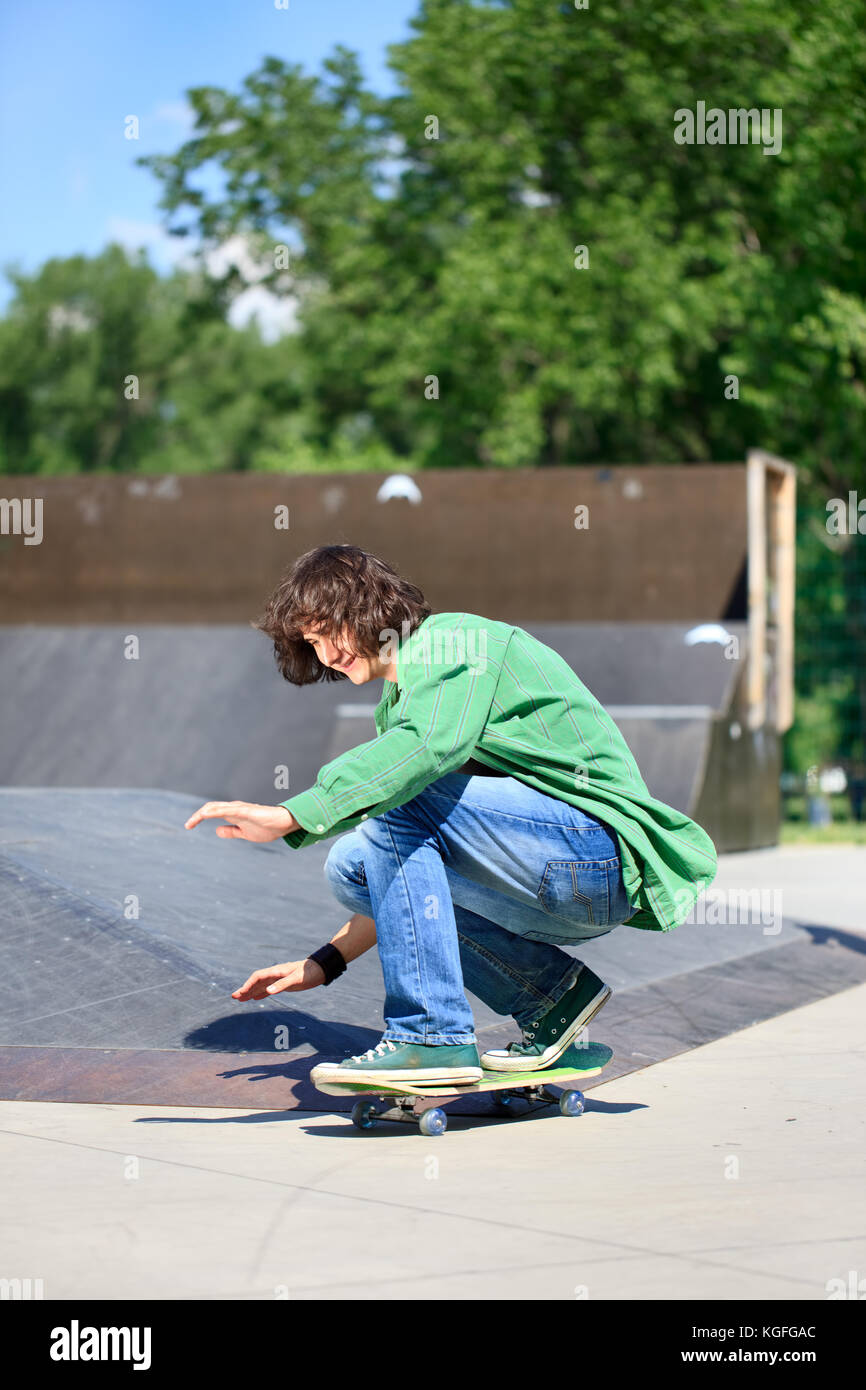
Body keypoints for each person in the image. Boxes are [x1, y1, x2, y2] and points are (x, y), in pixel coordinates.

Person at [185, 544, 717, 1087]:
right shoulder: (399, 704)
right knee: (353, 865)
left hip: (597, 855)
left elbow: (423, 752)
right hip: (544, 877)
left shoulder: (454, 643)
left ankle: (428, 1036)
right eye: (313, 644)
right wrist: (326, 961)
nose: (326, 656)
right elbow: (410, 877)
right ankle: (552, 998)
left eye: (328, 632)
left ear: (366, 606)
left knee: (398, 794)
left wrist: (292, 814)